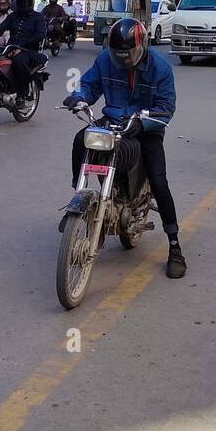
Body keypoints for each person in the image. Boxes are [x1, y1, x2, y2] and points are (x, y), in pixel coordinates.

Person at [63, 18, 184, 279]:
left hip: (144, 127)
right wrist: (79, 96)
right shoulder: (106, 60)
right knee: (79, 140)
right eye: (118, 54)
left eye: (128, 53)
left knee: (160, 182)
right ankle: (79, 197)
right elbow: (90, 84)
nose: (123, 59)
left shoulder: (160, 68)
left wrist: (143, 123)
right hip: (112, 122)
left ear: (140, 46)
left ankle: (175, 246)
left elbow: (166, 108)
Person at [0, 0, 47, 98]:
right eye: (21, 3)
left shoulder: (38, 17)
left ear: (31, 3)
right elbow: (0, 29)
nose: (24, 5)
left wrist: (22, 45)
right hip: (10, 48)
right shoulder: (13, 16)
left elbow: (40, 35)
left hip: (29, 50)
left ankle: (21, 94)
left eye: (26, 3)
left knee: (19, 61)